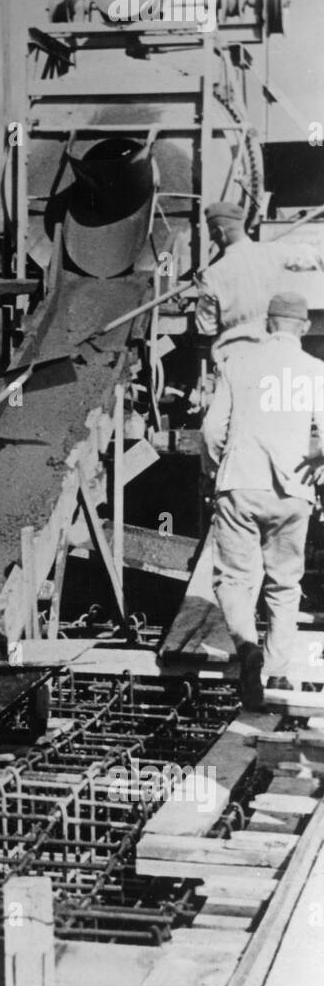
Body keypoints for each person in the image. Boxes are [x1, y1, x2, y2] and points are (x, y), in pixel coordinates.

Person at [202, 292, 324, 708]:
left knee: (233, 579)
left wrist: (218, 469)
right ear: (303, 328)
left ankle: (246, 648)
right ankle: (277, 668)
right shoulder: (315, 370)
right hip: (295, 490)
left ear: (267, 324)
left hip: (241, 482)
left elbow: (212, 430)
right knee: (286, 584)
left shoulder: (236, 365)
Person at [196, 201, 312, 365]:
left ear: (219, 232)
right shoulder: (273, 251)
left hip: (233, 356)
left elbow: (207, 328)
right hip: (271, 350)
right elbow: (314, 257)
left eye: (212, 234)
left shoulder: (212, 275)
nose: (212, 238)